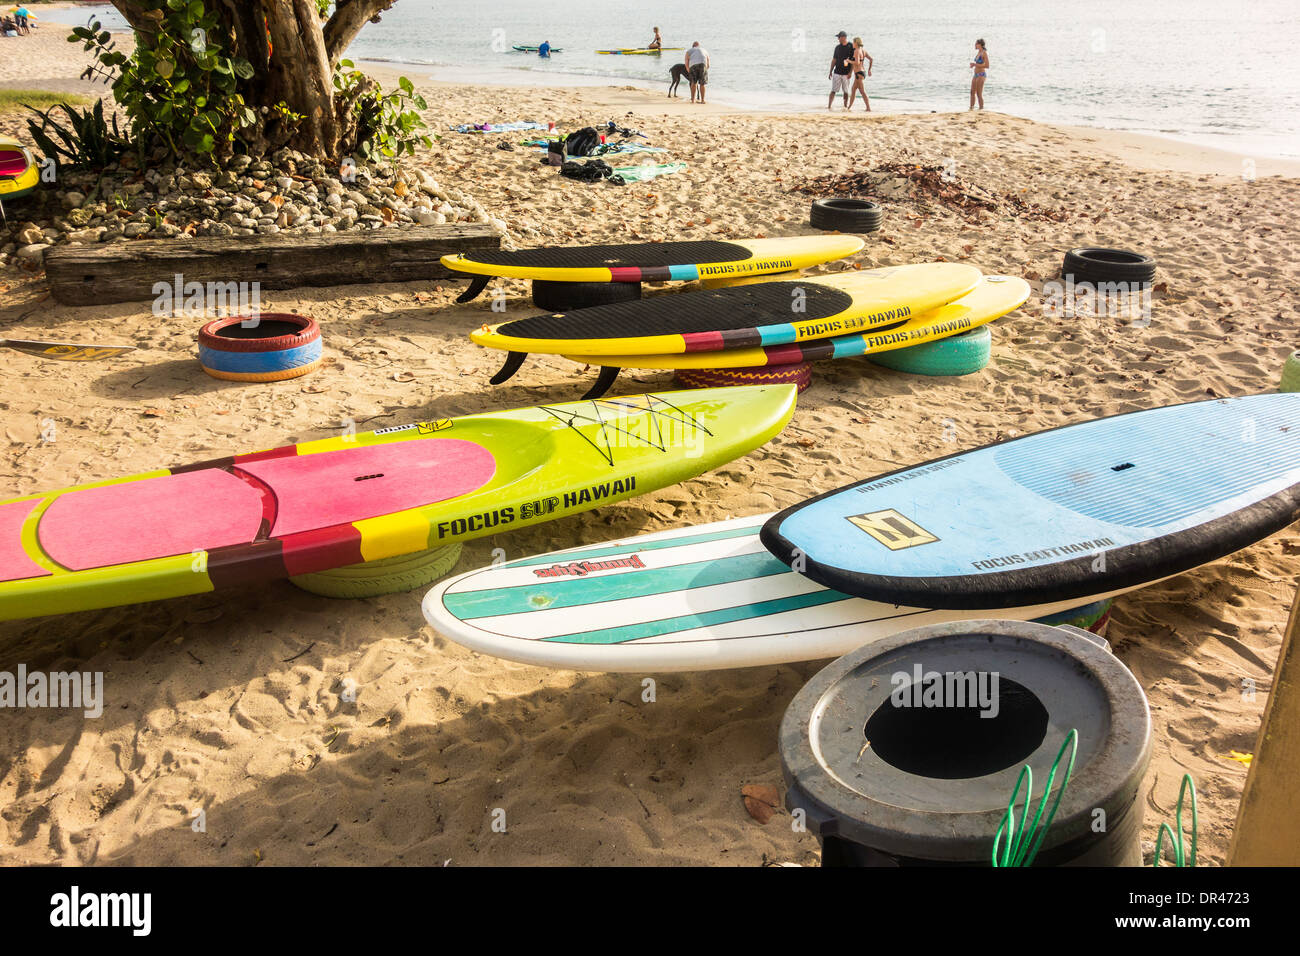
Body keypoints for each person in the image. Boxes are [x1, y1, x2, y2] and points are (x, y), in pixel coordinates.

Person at [828, 31, 853, 110]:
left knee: (846, 91)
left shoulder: (851, 46)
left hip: (846, 73)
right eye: (838, 37)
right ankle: (829, 106)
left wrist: (850, 72)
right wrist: (830, 71)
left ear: (843, 37)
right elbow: (834, 60)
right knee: (833, 90)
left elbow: (853, 61)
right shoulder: (837, 47)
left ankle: (845, 106)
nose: (838, 39)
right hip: (837, 72)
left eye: (839, 37)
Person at [848, 36, 873, 111]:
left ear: (856, 43)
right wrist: (869, 70)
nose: (852, 44)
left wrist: (848, 61)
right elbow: (871, 59)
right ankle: (849, 107)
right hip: (862, 72)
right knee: (853, 89)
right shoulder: (863, 50)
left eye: (853, 42)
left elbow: (857, 62)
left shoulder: (856, 51)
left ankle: (868, 108)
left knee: (862, 91)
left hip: (859, 73)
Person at [969, 38, 989, 110]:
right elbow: (977, 63)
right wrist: (973, 65)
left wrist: (975, 65)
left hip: (981, 74)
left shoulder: (984, 53)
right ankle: (971, 108)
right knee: (972, 92)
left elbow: (987, 66)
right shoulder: (978, 52)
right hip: (975, 75)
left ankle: (981, 109)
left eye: (976, 44)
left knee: (979, 93)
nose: (975, 45)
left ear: (980, 44)